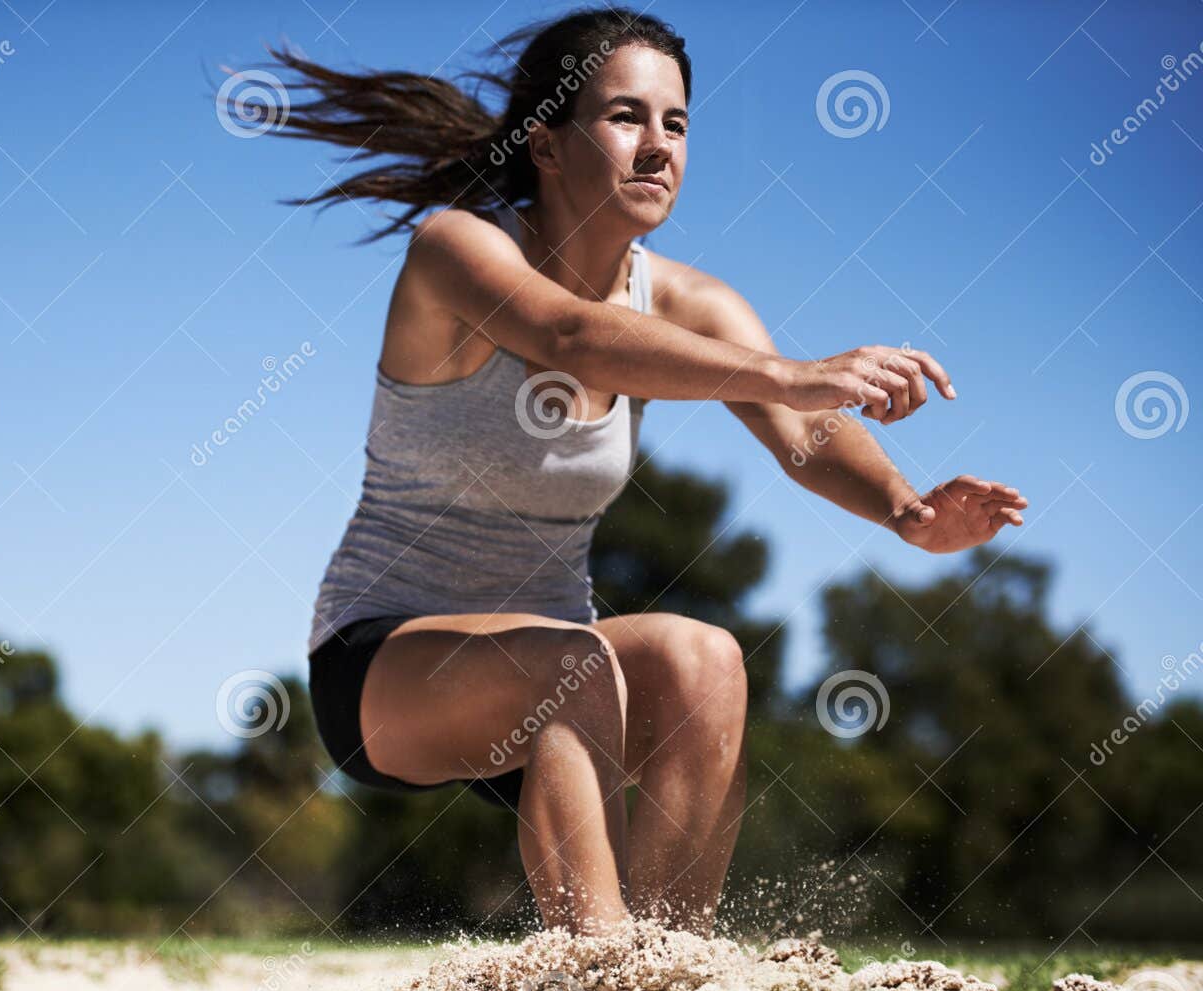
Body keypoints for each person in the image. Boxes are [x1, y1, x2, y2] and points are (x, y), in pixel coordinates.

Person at [259, 7, 1027, 934]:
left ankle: (668, 971)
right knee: (573, 662)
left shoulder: (688, 302)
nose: (659, 145)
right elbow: (568, 336)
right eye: (626, 116)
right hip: (387, 666)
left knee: (705, 660)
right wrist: (788, 370)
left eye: (677, 122)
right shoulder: (457, 249)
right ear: (547, 144)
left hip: (568, 679)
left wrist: (908, 510)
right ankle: (597, 960)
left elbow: (805, 433)